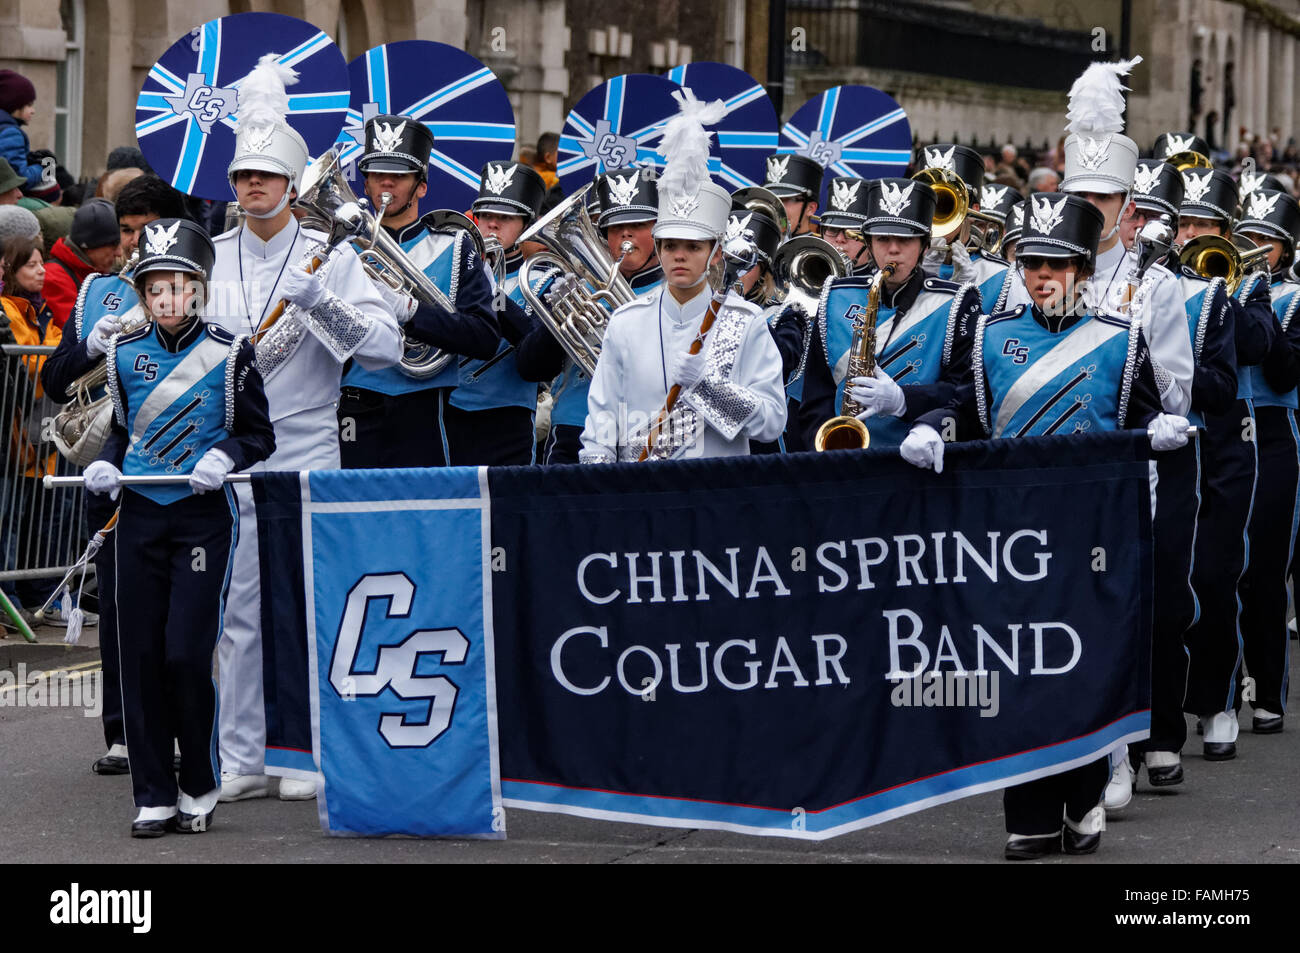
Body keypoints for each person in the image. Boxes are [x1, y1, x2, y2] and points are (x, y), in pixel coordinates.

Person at [899, 192, 1186, 859]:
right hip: (1011, 534)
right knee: (1019, 666)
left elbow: (1141, 418)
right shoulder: (993, 338)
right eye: (1032, 263)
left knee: (1081, 666)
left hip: (1092, 532)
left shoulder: (1120, 339)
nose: (1042, 276)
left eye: (1057, 264)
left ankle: (1083, 797)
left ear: (1083, 269)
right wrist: (930, 427)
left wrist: (1157, 429)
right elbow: (966, 412)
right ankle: (1028, 809)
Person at [209, 58, 401, 804]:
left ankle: (311, 751)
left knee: (313, 601)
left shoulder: (334, 254)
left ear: (291, 184)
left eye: (266, 175)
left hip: (309, 444)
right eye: (243, 176)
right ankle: (243, 753)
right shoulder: (212, 258)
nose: (253, 187)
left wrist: (321, 302)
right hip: (227, 454)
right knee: (239, 610)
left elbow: (387, 348)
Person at [81, 218, 275, 837]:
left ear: (198, 289)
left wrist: (226, 457)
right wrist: (108, 462)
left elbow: (258, 434)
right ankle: (154, 794)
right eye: (155, 288)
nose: (167, 299)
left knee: (186, 654)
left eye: (178, 286)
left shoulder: (231, 350)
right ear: (143, 294)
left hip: (200, 520)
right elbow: (121, 427)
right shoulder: (123, 353)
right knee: (137, 657)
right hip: (138, 516)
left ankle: (199, 779)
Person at [41, 174, 186, 776]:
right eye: (127, 232)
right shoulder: (99, 290)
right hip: (113, 468)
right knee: (121, 603)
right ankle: (123, 731)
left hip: (179, 467)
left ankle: (183, 729)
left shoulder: (197, 289)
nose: (132, 243)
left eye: (145, 231)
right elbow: (54, 381)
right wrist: (91, 347)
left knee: (182, 612)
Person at [580, 95, 786, 463]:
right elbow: (602, 418)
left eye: (692, 247)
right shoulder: (626, 322)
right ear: (657, 249)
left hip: (716, 495)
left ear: (715, 253)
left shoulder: (746, 321)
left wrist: (710, 388)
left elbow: (772, 424)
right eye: (670, 245)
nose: (679, 255)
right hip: (640, 495)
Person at [1171, 165, 1275, 762]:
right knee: (1168, 576)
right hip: (1171, 438)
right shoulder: (1153, 278)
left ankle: (1218, 701)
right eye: (1182, 223)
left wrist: (1220, 294)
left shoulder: (1248, 284)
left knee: (1215, 572)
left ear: (1224, 230)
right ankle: (1164, 710)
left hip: (1226, 440)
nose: (1189, 234)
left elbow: (1259, 348)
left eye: (1201, 224)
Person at [336, 113, 500, 469]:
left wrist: (409, 310)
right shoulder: (344, 249)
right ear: (364, 183)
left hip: (425, 405)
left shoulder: (455, 246)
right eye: (377, 174)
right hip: (352, 405)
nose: (386, 184)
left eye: (399, 176)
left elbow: (484, 338)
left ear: (421, 186)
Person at [799, 177, 983, 452]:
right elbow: (816, 393)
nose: (893, 249)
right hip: (839, 461)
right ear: (869, 243)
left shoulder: (955, 302)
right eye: (883, 238)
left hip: (914, 458)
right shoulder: (836, 295)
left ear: (923, 245)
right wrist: (822, 449)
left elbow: (964, 394)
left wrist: (903, 400)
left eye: (905, 239)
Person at [516, 168, 664, 465]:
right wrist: (556, 320)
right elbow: (531, 368)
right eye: (614, 227)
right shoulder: (580, 291)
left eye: (638, 224)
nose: (625, 234)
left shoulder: (674, 293)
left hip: (649, 429)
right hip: (575, 422)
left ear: (659, 229)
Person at [1233, 188, 1300, 736]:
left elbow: (1284, 373)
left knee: (1266, 566)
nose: (1253, 249)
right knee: (1218, 564)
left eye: (1265, 242)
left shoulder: (1296, 299)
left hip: (1276, 431)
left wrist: (1259, 307)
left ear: (1285, 249)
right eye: (1246, 238)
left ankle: (1268, 686)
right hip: (1225, 428)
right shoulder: (1213, 286)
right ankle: (1225, 683)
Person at [443, 160, 552, 465]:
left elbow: (535, 350)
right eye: (485, 215)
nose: (492, 225)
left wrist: (493, 295)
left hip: (508, 418)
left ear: (526, 224)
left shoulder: (544, 279)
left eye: (505, 217)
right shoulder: (450, 269)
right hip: (446, 409)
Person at [915, 143, 1014, 312]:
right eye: (928, 205)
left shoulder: (999, 275)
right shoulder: (902, 261)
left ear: (973, 211)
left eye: (945, 205)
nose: (934, 216)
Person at [44, 199, 121, 329]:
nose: (119, 253)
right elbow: (77, 333)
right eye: (113, 245)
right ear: (89, 245)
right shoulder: (53, 278)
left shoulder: (99, 271)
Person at [0, 70, 47, 194]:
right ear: (14, 105)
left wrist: (29, 159)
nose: (33, 111)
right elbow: (18, 180)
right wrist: (42, 167)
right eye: (29, 105)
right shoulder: (11, 133)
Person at [762, 152, 822, 238]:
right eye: (772, 199)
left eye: (787, 199)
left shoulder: (819, 250)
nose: (776, 208)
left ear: (811, 208)